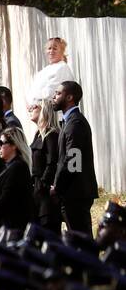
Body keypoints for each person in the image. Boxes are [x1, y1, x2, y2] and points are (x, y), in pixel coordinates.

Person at [51, 80, 97, 236]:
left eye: (58, 93)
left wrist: (57, 187)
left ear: (69, 97)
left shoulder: (75, 123)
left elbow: (73, 162)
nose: (54, 97)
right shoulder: (69, 122)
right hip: (71, 192)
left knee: (81, 239)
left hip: (75, 193)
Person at [0, 127, 35, 230]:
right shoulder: (12, 166)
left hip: (15, 226)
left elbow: (6, 197)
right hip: (10, 224)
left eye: (1, 143)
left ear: (14, 145)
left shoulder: (18, 167)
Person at [28, 97, 62, 232]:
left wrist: (43, 184)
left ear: (45, 111)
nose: (30, 109)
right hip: (37, 190)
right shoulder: (38, 134)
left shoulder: (51, 134)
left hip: (45, 193)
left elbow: (52, 162)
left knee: (48, 230)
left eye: (35, 107)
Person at [30, 37, 76, 103]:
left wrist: (34, 96)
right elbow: (31, 91)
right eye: (49, 48)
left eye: (55, 48)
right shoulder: (45, 70)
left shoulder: (62, 68)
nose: (51, 51)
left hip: (53, 111)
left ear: (62, 51)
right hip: (37, 110)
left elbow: (50, 94)